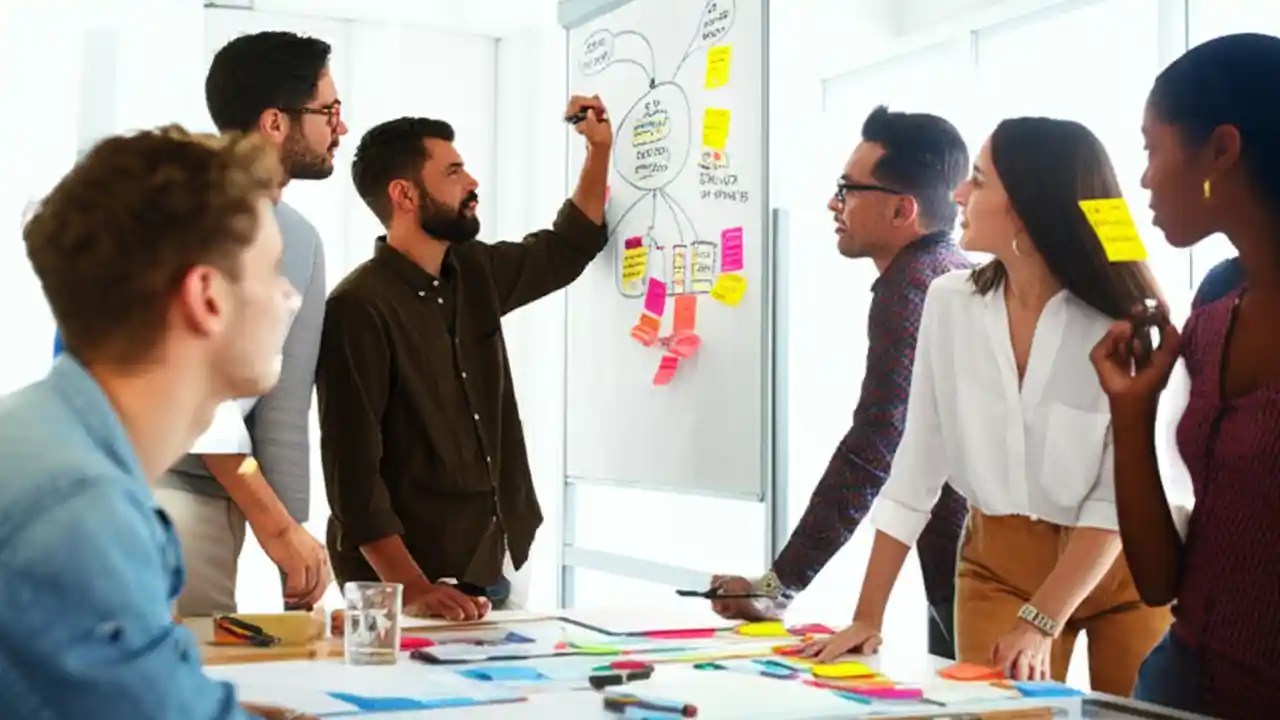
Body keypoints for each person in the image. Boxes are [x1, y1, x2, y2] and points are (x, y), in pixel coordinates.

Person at [803, 117, 1172, 695]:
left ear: (1026, 207)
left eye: (977, 181)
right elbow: (918, 462)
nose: (957, 196)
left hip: (1120, 571)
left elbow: (1117, 497)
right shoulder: (948, 302)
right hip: (997, 564)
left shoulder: (1125, 323)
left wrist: (1042, 618)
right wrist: (867, 614)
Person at [0, 127, 310, 719]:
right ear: (207, 297)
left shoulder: (51, 448)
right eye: (272, 270)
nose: (288, 296)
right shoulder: (79, 510)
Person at [317, 97, 610, 620]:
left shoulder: (472, 271)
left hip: (489, 566)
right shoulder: (357, 307)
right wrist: (412, 589)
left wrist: (598, 150)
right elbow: (353, 477)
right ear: (404, 194)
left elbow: (566, 249)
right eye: (453, 172)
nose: (472, 181)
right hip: (399, 591)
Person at [708, 106, 971, 659]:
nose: (834, 203)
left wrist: (776, 589)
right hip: (972, 563)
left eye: (847, 189)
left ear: (904, 209)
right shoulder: (949, 269)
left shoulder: (913, 289)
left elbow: (875, 446)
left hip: (974, 573)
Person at [1091, 32, 1280, 716]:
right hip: (1181, 683)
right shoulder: (1210, 321)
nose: (1142, 177)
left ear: (1221, 150)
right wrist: (1131, 413)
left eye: (1151, 147)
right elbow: (1160, 581)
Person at [155, 30, 346, 615]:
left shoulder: (301, 240)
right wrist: (277, 528)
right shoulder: (187, 212)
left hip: (226, 496)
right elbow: (194, 400)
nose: (340, 127)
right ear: (274, 121)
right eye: (329, 111)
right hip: (164, 485)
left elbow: (284, 406)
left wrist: (295, 547)